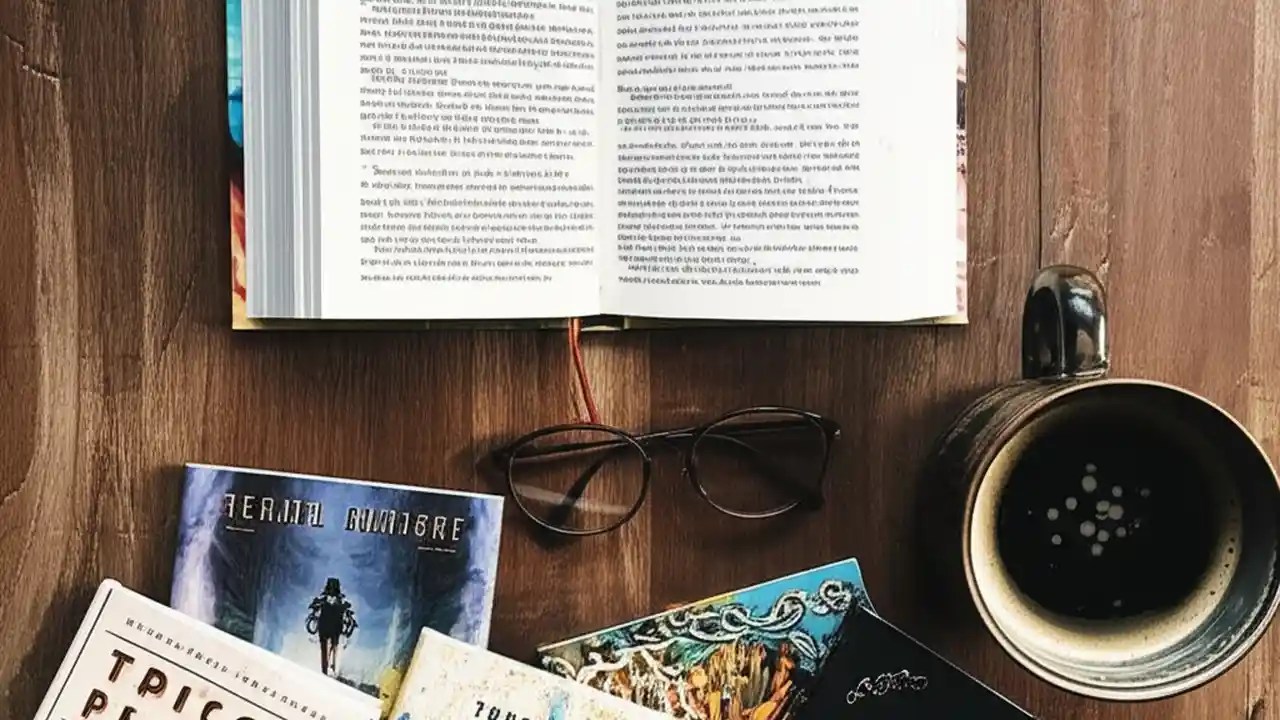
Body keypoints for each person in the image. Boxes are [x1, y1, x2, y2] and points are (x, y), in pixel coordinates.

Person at [307, 577, 357, 677]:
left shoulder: (324, 599)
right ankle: (330, 669)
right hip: (334, 629)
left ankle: (326, 669)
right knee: (332, 647)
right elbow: (348, 612)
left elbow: (314, 607)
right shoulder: (340, 601)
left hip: (325, 627)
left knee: (326, 648)